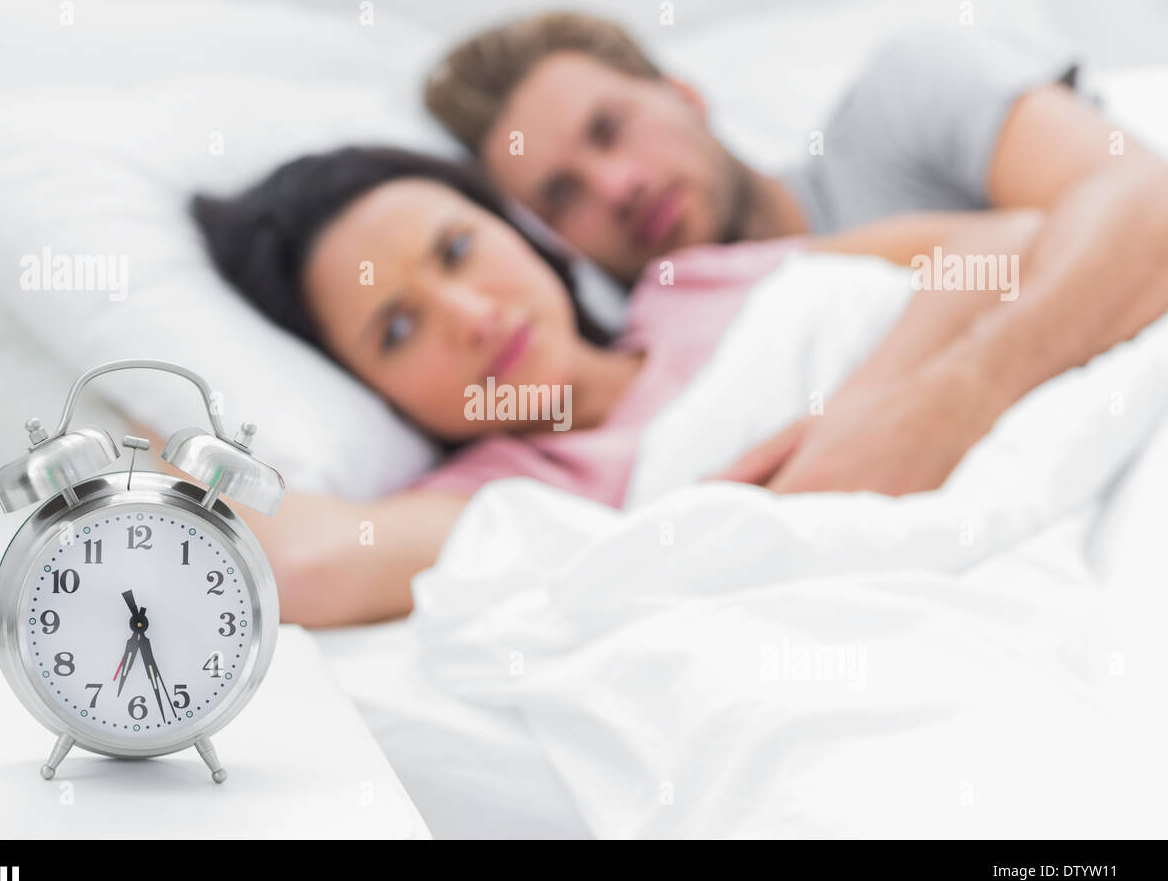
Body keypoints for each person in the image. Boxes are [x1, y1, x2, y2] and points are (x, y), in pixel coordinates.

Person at [139, 145, 1041, 627]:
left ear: (521, 233)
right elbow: (307, 563)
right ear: (375, 393)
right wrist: (142, 446)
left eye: (457, 250)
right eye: (399, 328)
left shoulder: (695, 283)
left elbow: (1011, 248)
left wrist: (871, 411)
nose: (470, 314)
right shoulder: (510, 491)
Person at [424, 12, 1168, 494]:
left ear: (683, 93)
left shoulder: (900, 103)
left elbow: (1150, 206)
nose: (616, 187)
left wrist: (939, 409)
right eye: (562, 196)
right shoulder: (666, 391)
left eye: (610, 128)